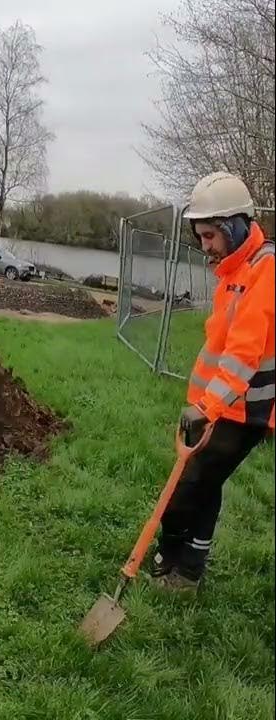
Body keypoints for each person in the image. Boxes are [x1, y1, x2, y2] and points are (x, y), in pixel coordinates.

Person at [150, 171, 275, 590]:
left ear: (234, 227)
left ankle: (176, 564)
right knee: (206, 483)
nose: (205, 247)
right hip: (223, 404)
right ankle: (185, 566)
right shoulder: (233, 272)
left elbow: (242, 357)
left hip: (246, 410)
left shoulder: (265, 271)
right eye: (200, 237)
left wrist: (206, 408)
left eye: (209, 236)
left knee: (186, 491)